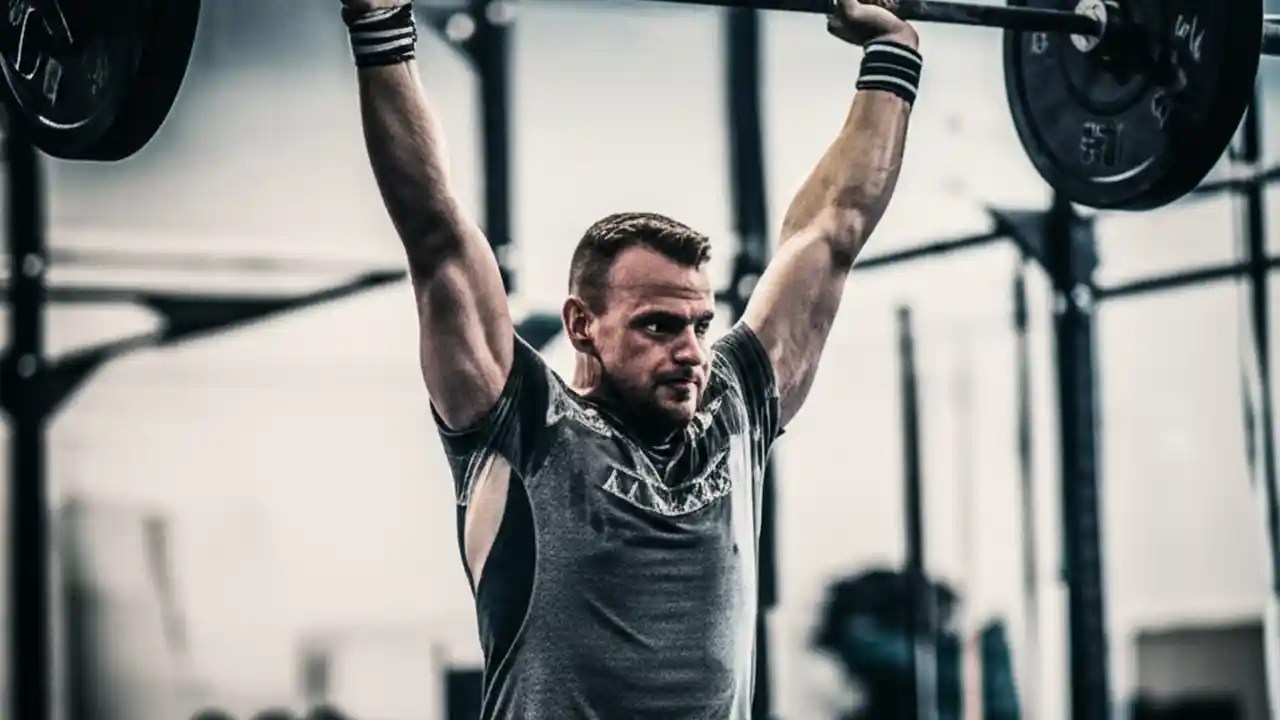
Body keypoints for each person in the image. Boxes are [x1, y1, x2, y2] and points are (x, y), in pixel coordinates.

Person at [338, 0, 920, 717]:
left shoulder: (735, 414)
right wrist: (380, 25)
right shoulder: (521, 424)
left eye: (700, 325)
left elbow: (834, 230)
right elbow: (432, 230)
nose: (690, 352)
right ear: (582, 325)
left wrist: (892, 56)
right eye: (657, 326)